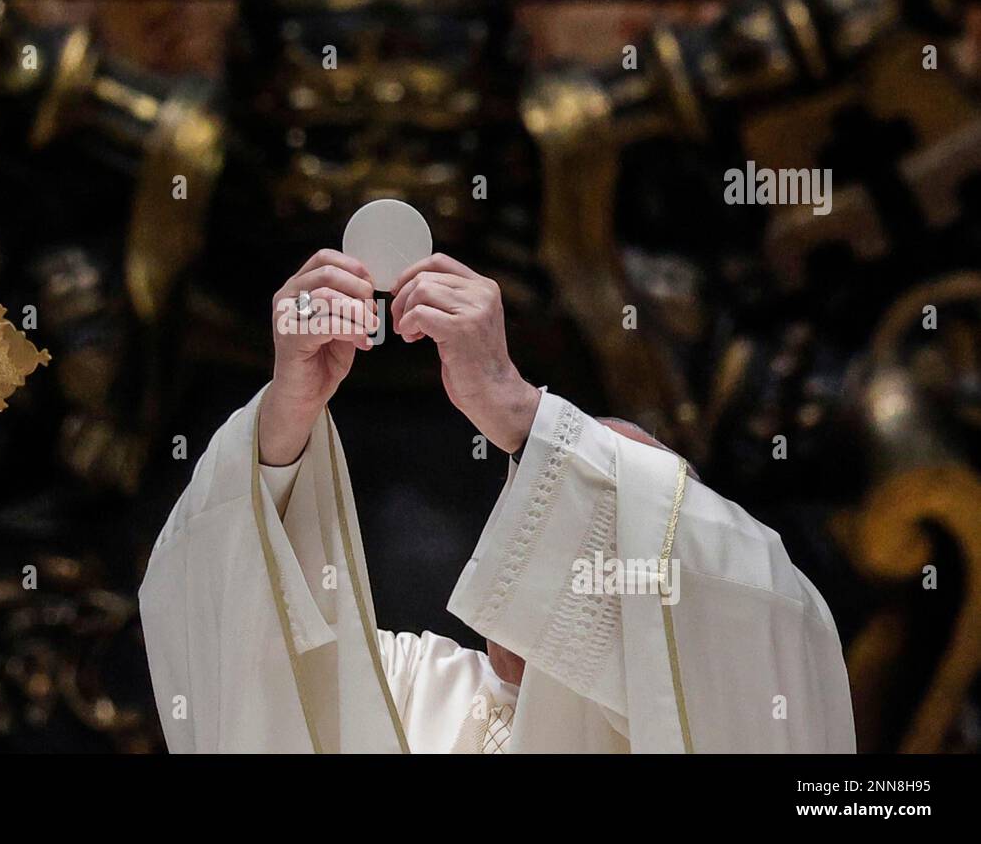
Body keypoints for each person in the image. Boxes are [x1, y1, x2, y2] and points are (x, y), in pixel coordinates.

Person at [139, 249, 856, 753]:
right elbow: (239, 642)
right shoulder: (409, 689)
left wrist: (519, 410)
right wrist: (286, 418)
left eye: (595, 508)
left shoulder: (734, 669)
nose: (543, 531)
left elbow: (756, 607)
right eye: (541, 502)